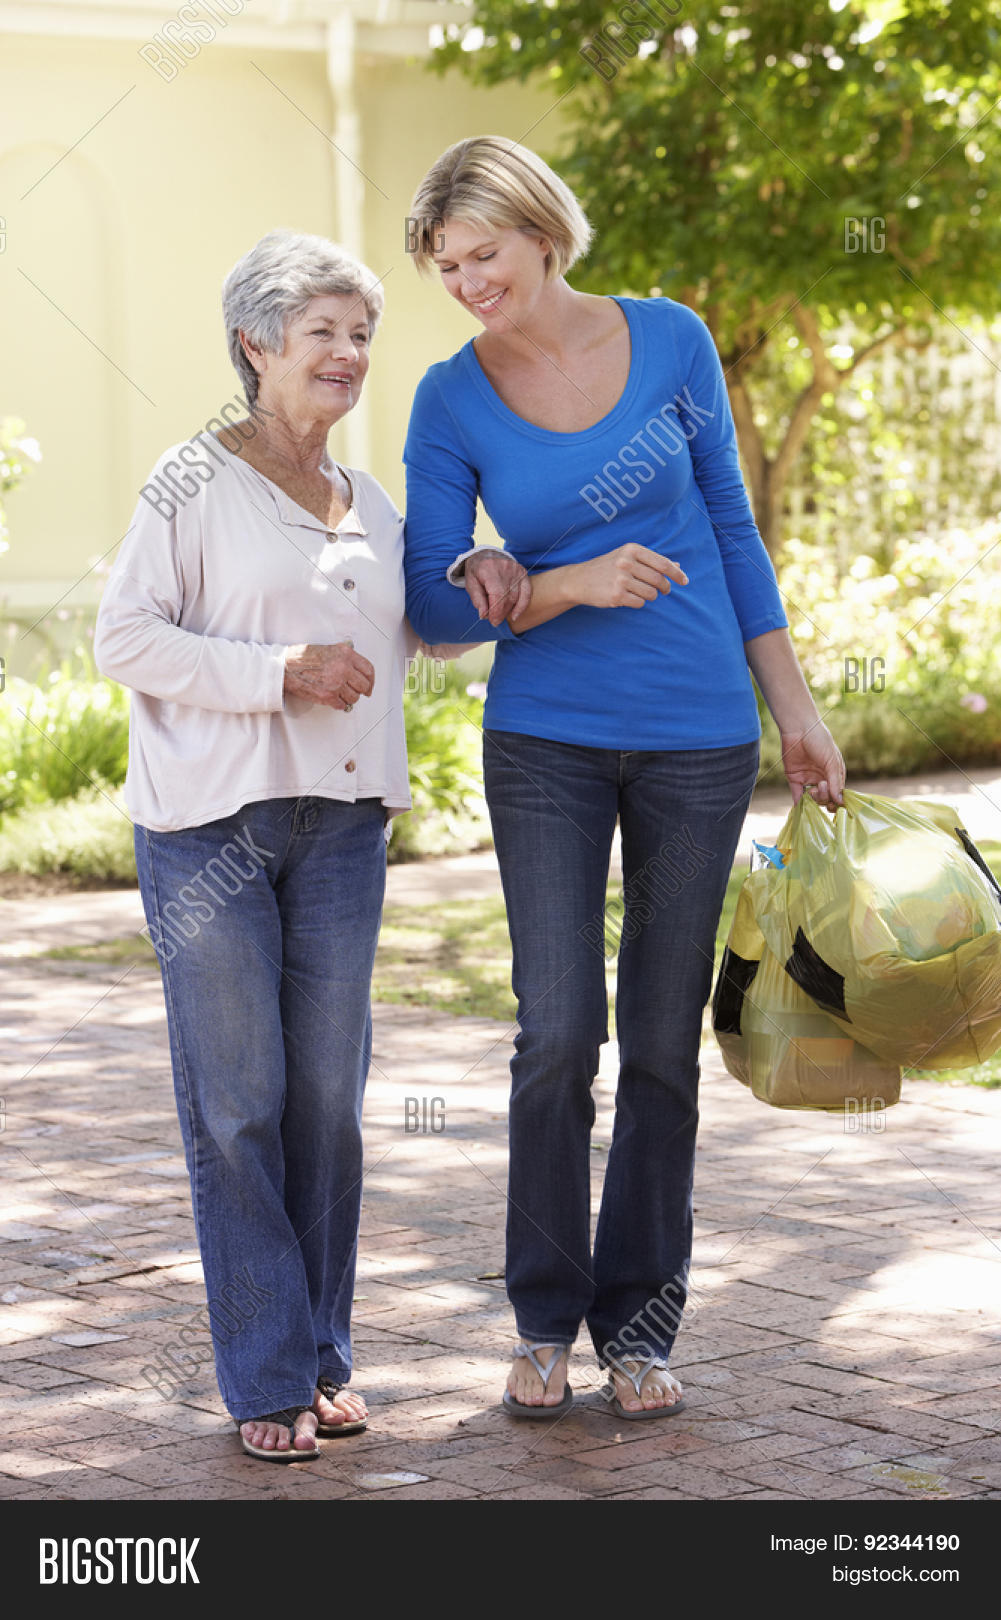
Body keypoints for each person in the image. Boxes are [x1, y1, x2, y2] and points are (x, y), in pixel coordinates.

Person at [403, 137, 845, 1421]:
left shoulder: (670, 341)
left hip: (696, 732)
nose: (467, 283)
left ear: (542, 234)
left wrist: (795, 711)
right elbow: (438, 607)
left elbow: (730, 525)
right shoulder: (449, 397)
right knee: (556, 1035)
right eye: (445, 267)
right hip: (543, 739)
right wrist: (561, 584)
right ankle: (543, 1319)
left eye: (483, 253)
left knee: (660, 1040)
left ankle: (640, 1327)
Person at [94, 229, 458, 1460]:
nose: (348, 354)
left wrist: (491, 578)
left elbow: (423, 627)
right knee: (241, 1104)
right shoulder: (189, 481)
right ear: (255, 345)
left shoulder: (372, 501)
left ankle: (322, 1358)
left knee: (328, 1109)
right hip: (210, 829)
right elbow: (124, 637)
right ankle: (266, 1379)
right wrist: (277, 672)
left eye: (361, 335)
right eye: (322, 333)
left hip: (342, 829)